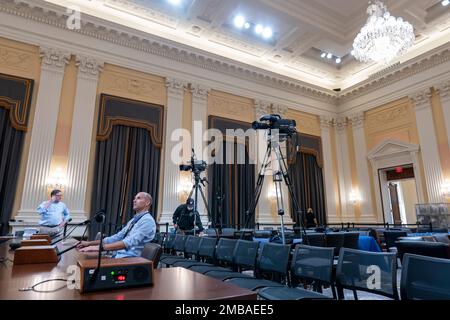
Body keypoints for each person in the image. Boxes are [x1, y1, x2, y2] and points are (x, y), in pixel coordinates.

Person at [77, 192, 156, 258]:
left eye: (138, 198)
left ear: (147, 202)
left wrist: (99, 248)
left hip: (131, 259)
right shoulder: (133, 220)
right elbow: (117, 237)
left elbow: (128, 242)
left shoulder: (147, 221)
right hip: (120, 256)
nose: (134, 200)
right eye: (134, 198)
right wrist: (89, 243)